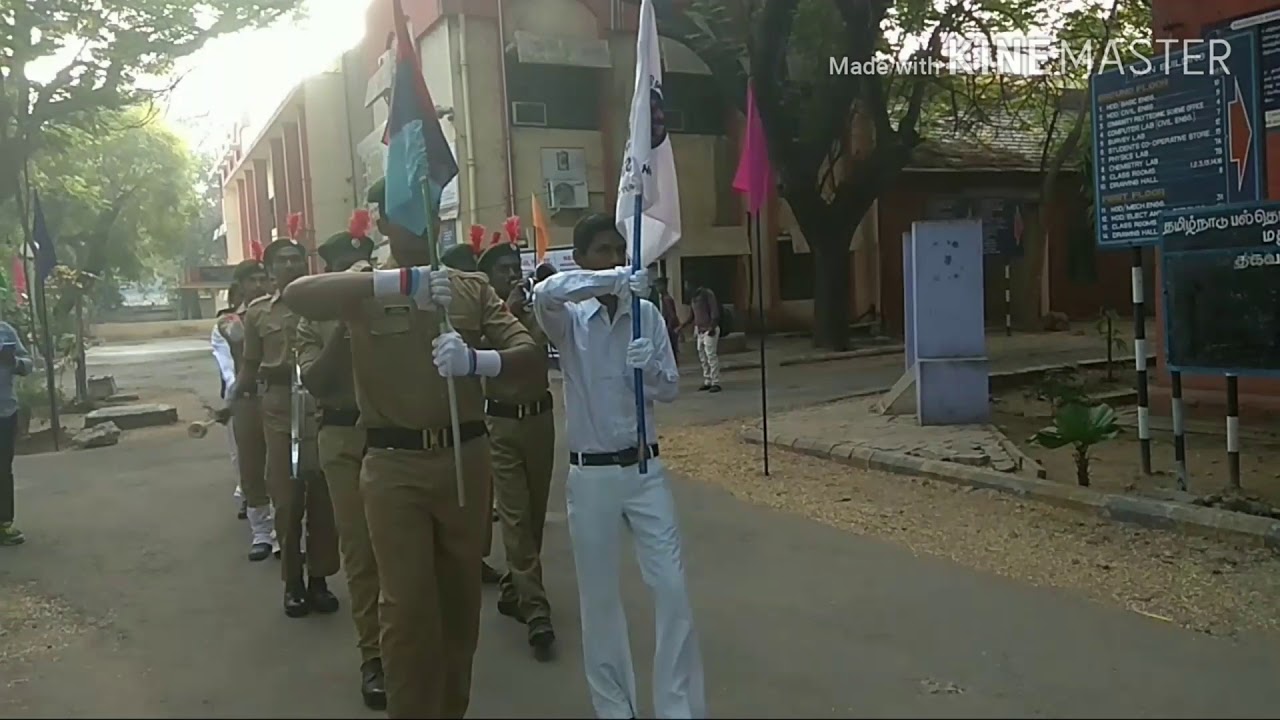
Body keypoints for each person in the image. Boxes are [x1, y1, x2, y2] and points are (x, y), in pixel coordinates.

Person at [281, 178, 544, 718]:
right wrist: (400, 281)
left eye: (427, 208)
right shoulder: (361, 285)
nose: (420, 220)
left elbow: (529, 353)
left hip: (464, 458)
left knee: (460, 605)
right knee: (406, 610)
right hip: (393, 465)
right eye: (403, 210)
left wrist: (478, 361)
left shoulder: (467, 287)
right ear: (380, 222)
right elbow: (298, 295)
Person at [531, 213, 705, 719]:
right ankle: (614, 707)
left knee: (671, 589)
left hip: (645, 471)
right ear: (581, 259)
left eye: (619, 251)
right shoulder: (570, 319)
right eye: (602, 251)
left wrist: (648, 369)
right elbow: (544, 294)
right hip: (592, 475)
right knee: (600, 599)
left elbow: (669, 389)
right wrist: (609, 282)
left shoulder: (645, 314)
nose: (614, 259)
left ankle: (677, 707)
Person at [296, 221, 386, 708]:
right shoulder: (311, 321)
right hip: (343, 438)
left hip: (392, 435)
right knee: (361, 552)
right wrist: (347, 326)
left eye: (361, 265)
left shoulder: (388, 304)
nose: (356, 273)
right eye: (343, 269)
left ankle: (409, 644)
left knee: (403, 549)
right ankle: (374, 656)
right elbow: (315, 380)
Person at [236, 237, 341, 617]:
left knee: (324, 501)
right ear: (269, 270)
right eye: (283, 260)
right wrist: (236, 401)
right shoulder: (258, 313)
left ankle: (320, 579)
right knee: (287, 499)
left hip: (324, 407)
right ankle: (293, 581)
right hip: (279, 410)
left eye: (297, 259)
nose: (292, 265)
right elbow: (250, 366)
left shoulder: (326, 307)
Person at [476, 229, 557, 660]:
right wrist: (506, 312)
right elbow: (477, 359)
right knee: (515, 516)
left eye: (515, 269)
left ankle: (514, 588)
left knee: (535, 513)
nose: (512, 276)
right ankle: (536, 609)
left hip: (540, 420)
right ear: (488, 278)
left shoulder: (537, 309)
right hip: (502, 424)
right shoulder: (486, 316)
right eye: (503, 270)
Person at [224, 259, 276, 560]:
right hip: (247, 397)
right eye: (252, 280)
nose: (258, 285)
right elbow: (229, 358)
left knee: (281, 464)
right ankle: (261, 532)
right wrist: (230, 399)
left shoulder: (282, 312)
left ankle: (282, 530)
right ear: (240, 285)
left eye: (262, 278)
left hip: (278, 395)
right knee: (251, 464)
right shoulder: (229, 321)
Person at [213, 282, 247, 519]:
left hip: (269, 391)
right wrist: (235, 393)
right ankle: (246, 494)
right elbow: (226, 366)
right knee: (240, 450)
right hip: (238, 393)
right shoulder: (225, 324)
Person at [0, 320, 33, 547]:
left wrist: (14, 362)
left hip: (5, 412)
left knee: (3, 469)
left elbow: (28, 364)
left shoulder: (5, 330)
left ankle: (4, 524)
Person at [682, 281, 721, 393]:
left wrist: (712, 327)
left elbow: (714, 312)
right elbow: (692, 316)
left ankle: (715, 382)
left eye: (688, 285)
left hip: (709, 329)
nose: (687, 288)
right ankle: (707, 380)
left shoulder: (707, 294)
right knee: (703, 357)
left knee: (711, 356)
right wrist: (682, 326)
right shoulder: (693, 298)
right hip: (700, 331)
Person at [654, 277, 681, 364]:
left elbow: (672, 315)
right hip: (670, 327)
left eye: (658, 286)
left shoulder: (666, 299)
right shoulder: (664, 298)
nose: (657, 288)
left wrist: (668, 328)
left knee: (671, 351)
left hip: (670, 327)